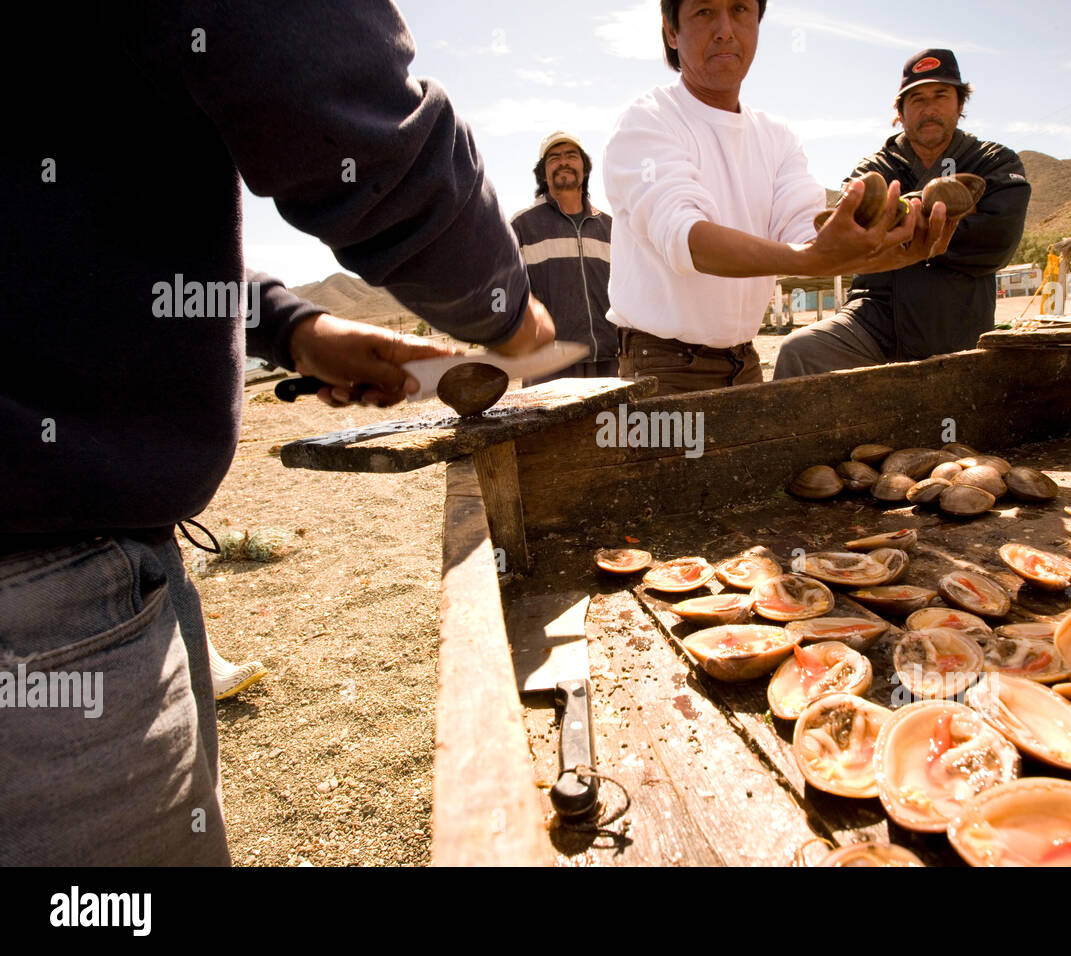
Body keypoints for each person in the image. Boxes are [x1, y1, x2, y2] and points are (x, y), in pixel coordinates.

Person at [0, 2, 553, 866]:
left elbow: (89, 227)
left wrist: (293, 328)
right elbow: (346, 104)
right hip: (36, 608)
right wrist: (508, 311)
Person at [602, 0, 955, 396]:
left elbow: (808, 233)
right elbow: (685, 239)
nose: (725, 29)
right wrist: (808, 258)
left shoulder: (776, 136)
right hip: (662, 371)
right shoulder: (646, 120)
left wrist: (891, 250)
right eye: (704, 12)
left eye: (740, 10)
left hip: (745, 364)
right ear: (671, 30)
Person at [773, 49, 1031, 378]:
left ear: (960, 104)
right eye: (917, 99)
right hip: (872, 323)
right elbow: (850, 239)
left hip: (958, 327)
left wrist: (898, 218)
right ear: (900, 111)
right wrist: (946, 210)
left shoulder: (994, 161)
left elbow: (997, 240)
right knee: (800, 350)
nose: (930, 108)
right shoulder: (873, 168)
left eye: (941, 95)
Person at [511, 132, 620, 383]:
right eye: (554, 158)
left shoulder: (611, 227)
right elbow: (506, 292)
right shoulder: (522, 226)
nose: (564, 162)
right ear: (543, 172)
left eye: (572, 156)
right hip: (547, 368)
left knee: (611, 424)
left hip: (609, 363)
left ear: (585, 167)